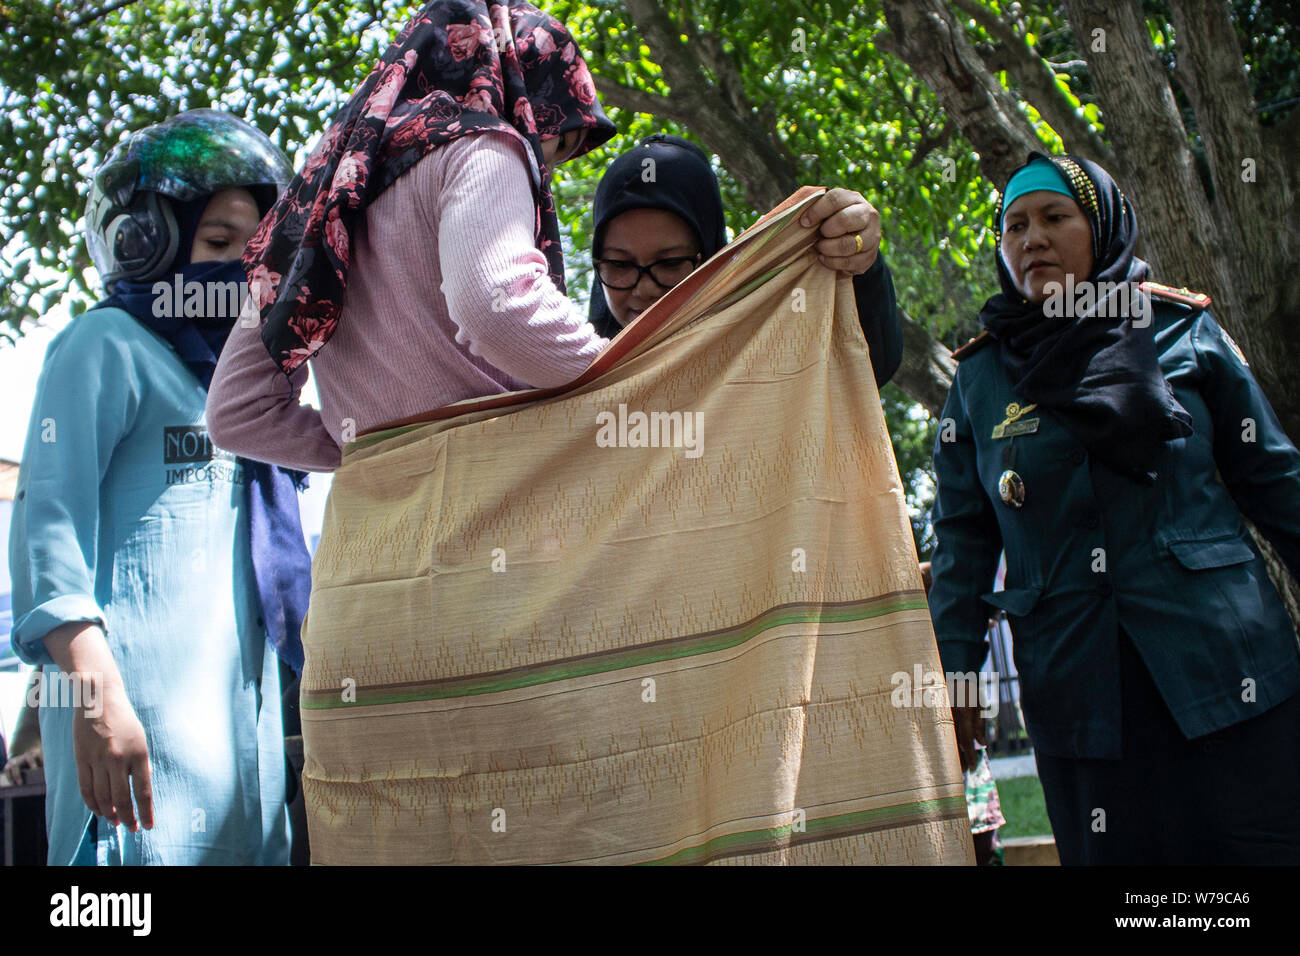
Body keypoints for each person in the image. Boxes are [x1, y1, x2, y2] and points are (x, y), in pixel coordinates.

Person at [927, 152, 1300, 865]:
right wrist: (956, 672)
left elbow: (1278, 483)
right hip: (1078, 695)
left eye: (1054, 217)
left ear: (1101, 226)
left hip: (1228, 670)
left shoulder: (1182, 333)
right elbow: (962, 545)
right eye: (1013, 226)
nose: (1030, 237)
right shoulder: (979, 380)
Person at [8, 108, 308, 865]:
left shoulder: (252, 390)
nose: (238, 269)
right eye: (215, 243)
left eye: (256, 250)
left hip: (245, 761)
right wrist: (96, 696)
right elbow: (48, 529)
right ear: (146, 244)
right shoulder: (104, 346)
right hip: (134, 744)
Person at [587, 134, 902, 387]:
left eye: (670, 264)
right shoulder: (571, 387)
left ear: (711, 257)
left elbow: (868, 366)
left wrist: (860, 266)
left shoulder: (767, 342)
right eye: (620, 265)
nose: (643, 290)